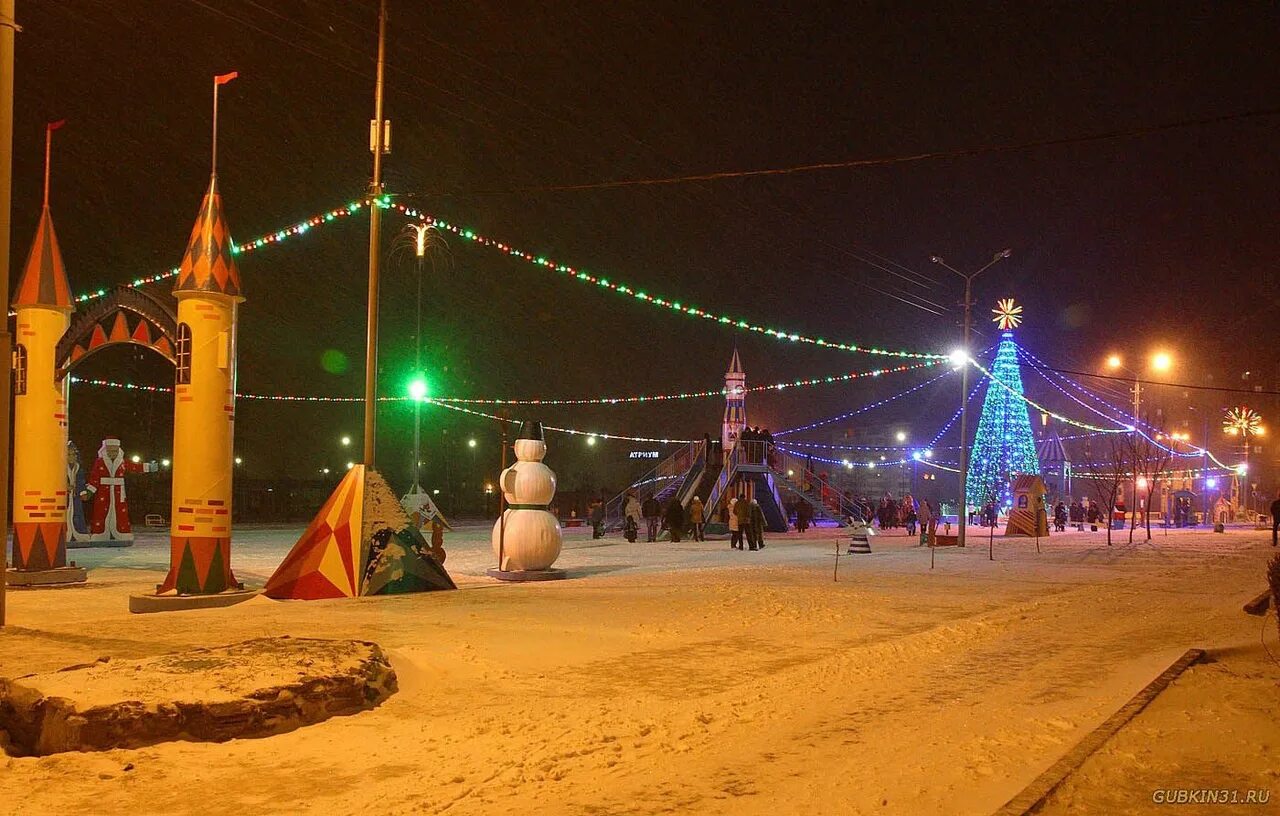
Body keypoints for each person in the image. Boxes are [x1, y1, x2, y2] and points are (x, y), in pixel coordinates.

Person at [83, 436, 158, 543]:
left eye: (115, 451)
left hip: (118, 492)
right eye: (110, 451)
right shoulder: (99, 462)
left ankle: (122, 532)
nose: (112, 453)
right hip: (103, 492)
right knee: (101, 511)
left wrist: (150, 467)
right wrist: (89, 491)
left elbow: (134, 467)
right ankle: (99, 532)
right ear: (105, 450)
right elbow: (94, 478)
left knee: (120, 512)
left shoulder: (122, 462)